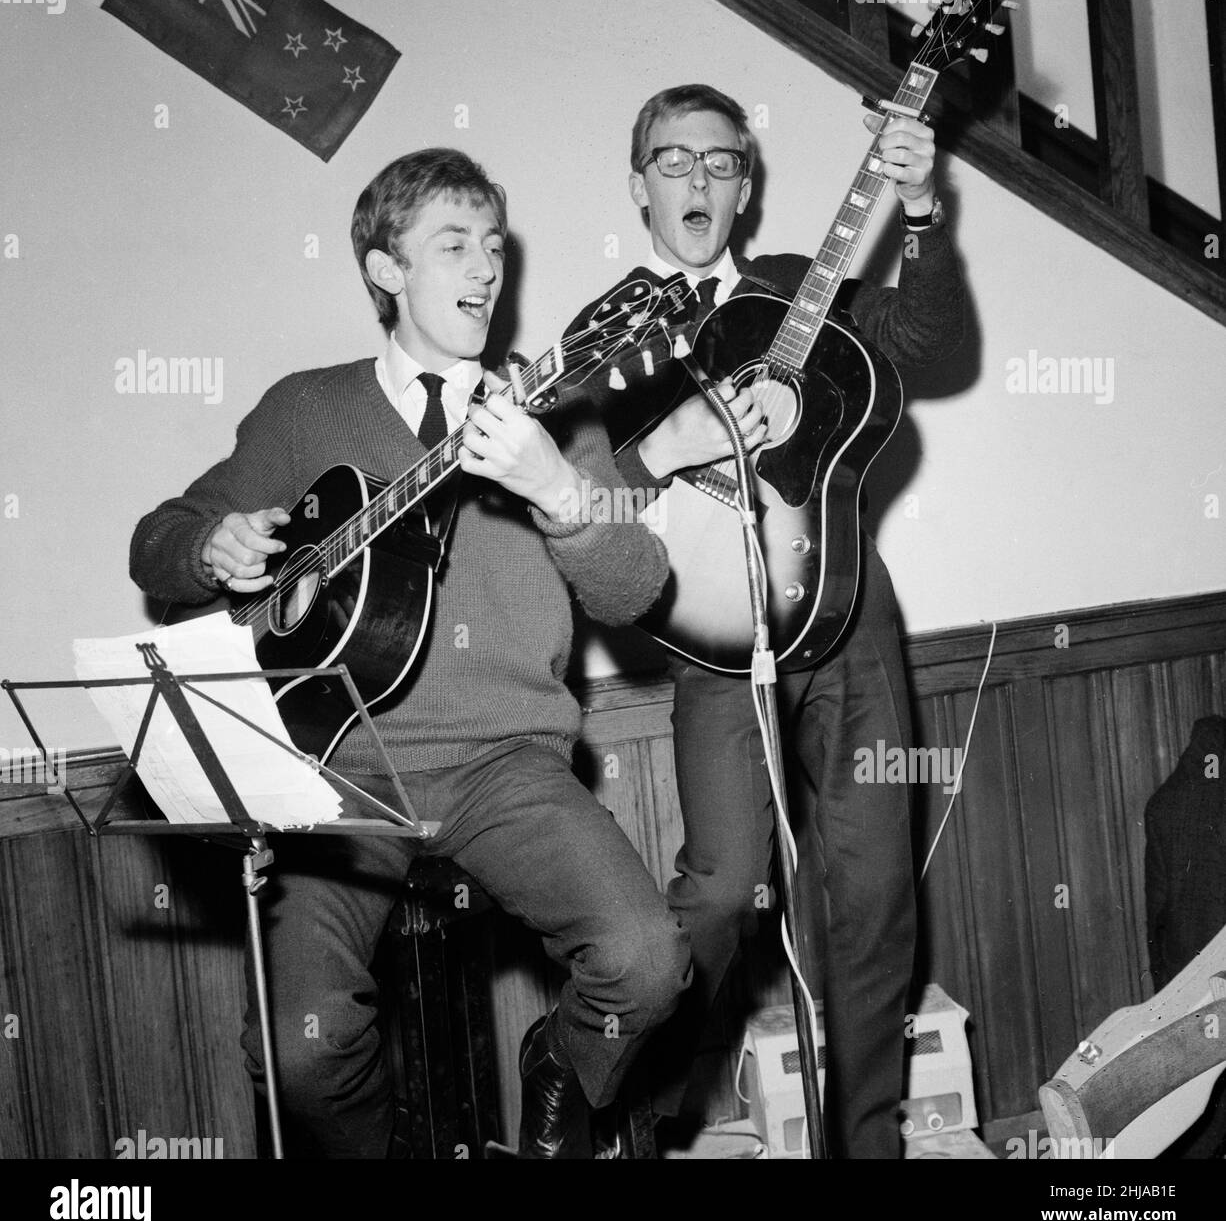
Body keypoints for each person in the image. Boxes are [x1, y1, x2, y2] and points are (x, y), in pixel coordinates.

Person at [128, 147, 689, 1159]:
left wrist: (560, 492)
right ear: (386, 270)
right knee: (301, 1050)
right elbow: (158, 541)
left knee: (646, 962)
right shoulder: (303, 410)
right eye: (452, 244)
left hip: (505, 764)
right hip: (335, 774)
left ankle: (561, 1060)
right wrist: (202, 545)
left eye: (493, 246)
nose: (484, 268)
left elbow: (640, 585)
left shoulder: (555, 414)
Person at [568, 84, 965, 1158]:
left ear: (744, 182)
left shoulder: (800, 284)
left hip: (846, 610)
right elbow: (579, 505)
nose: (696, 179)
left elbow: (926, 339)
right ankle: (615, 1101)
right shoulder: (605, 333)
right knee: (722, 891)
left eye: (718, 161)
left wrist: (919, 206)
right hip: (713, 633)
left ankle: (866, 1143)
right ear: (638, 182)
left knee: (876, 892)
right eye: (672, 160)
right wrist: (674, 442)